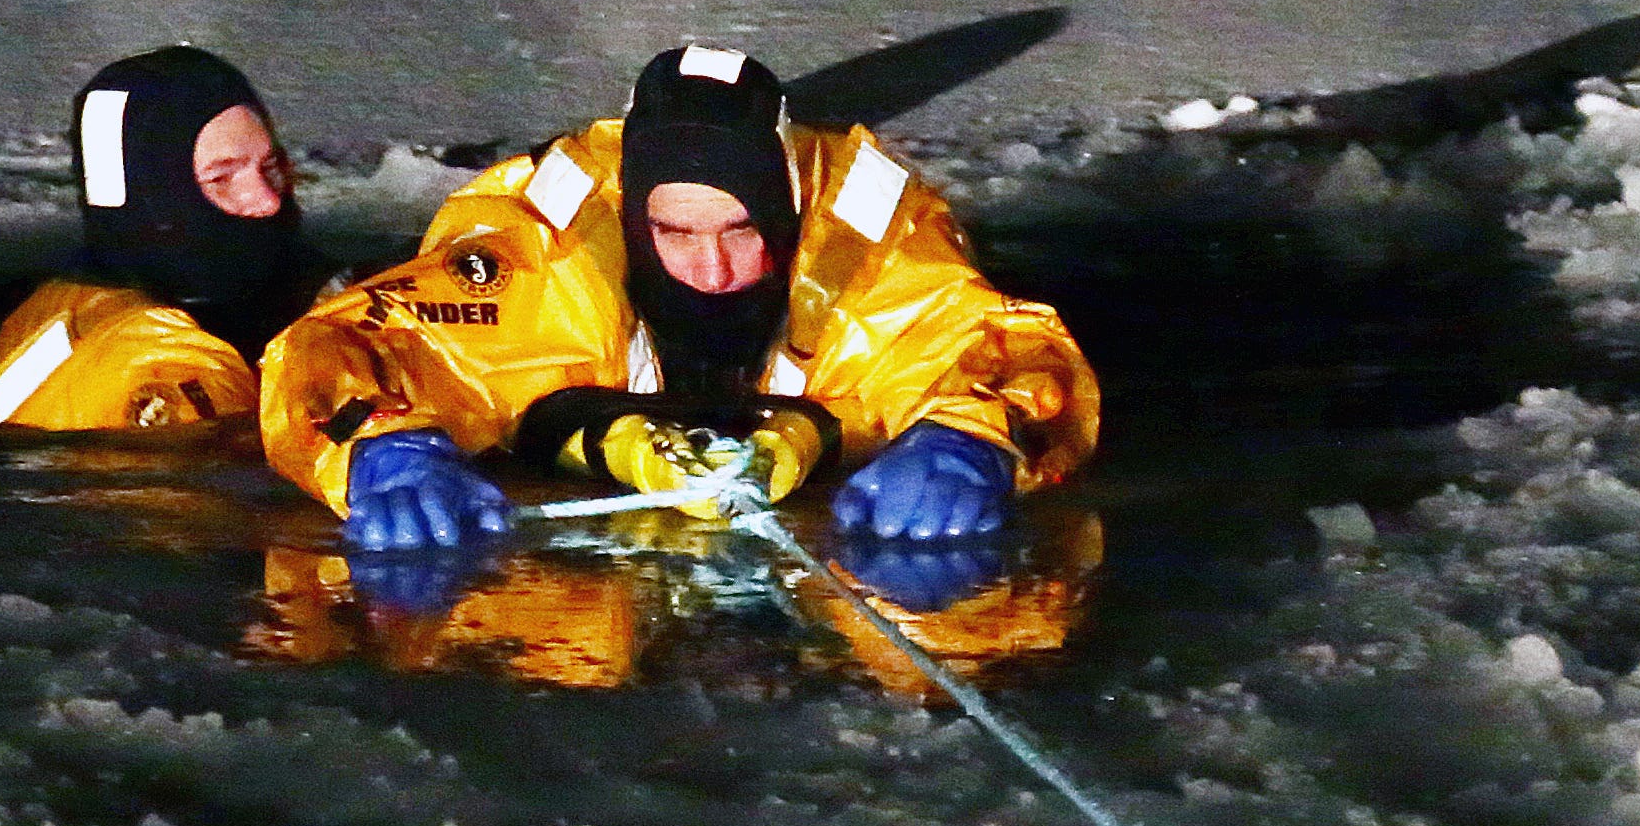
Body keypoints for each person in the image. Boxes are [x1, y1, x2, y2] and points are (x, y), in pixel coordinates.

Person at [259, 44, 1098, 547]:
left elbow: (998, 345)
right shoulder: (545, 251)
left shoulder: (869, 241)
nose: (713, 268)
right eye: (675, 233)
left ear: (786, 209)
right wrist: (381, 443)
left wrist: (970, 438)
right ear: (633, 218)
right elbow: (342, 342)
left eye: (742, 231)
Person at [0, 46, 331, 430]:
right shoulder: (167, 365)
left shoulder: (58, 309)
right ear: (157, 202)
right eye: (221, 178)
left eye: (270, 167)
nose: (267, 201)